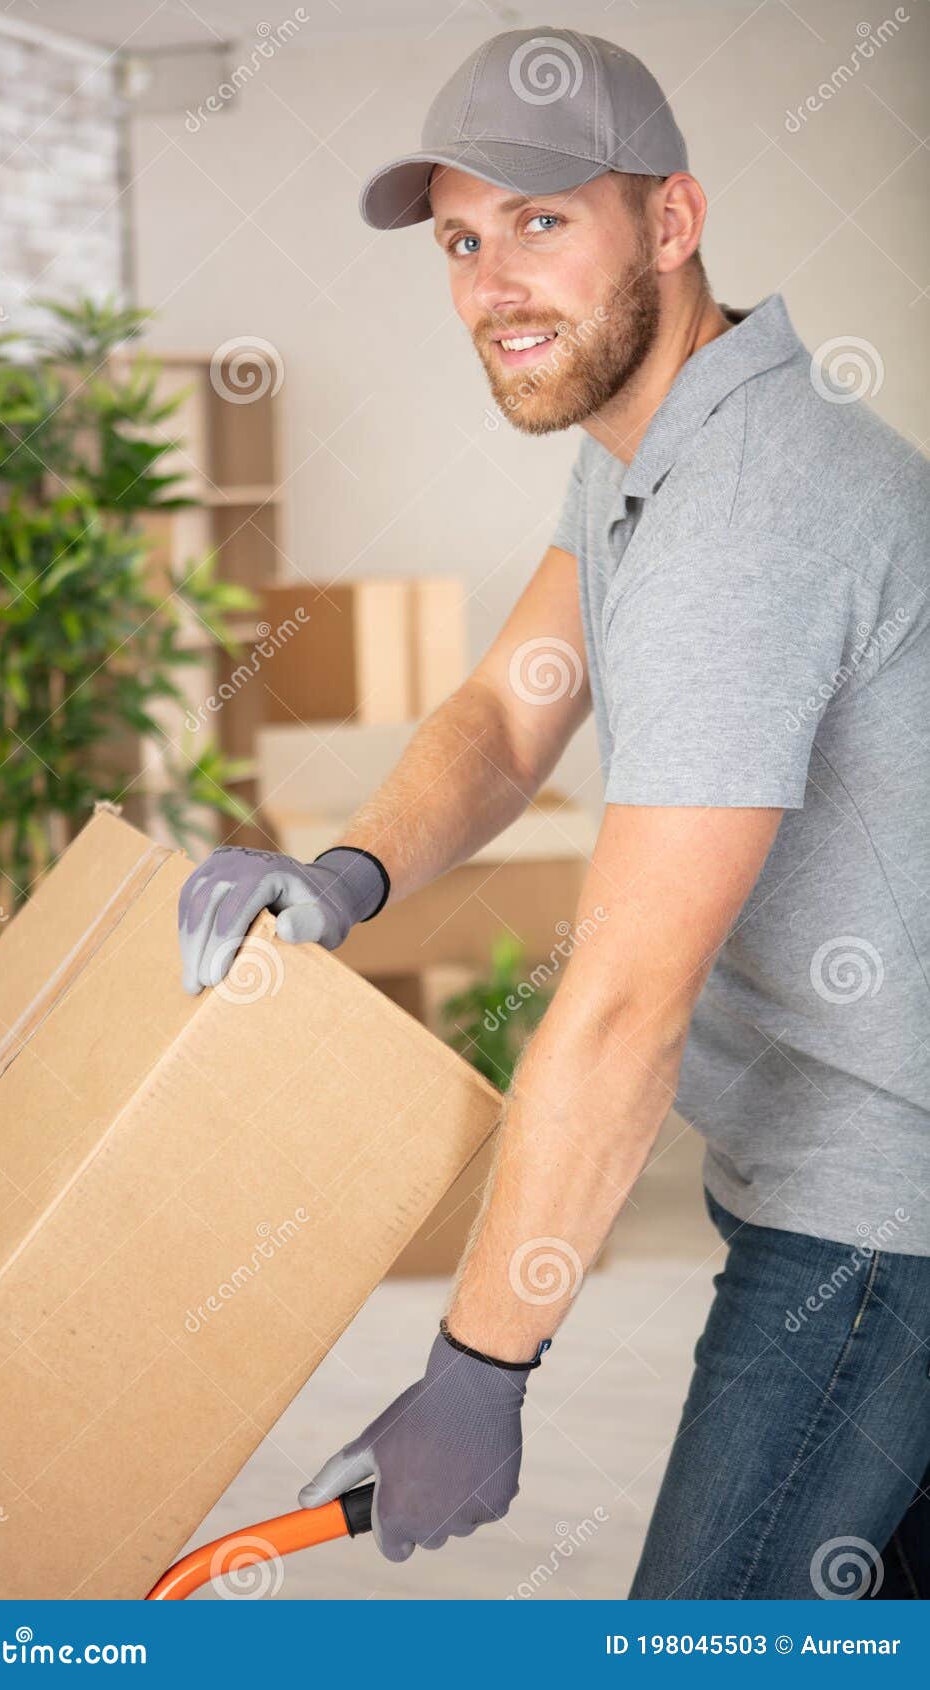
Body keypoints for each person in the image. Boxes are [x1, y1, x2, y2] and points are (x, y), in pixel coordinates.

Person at [177, 27, 930, 1599]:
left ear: (672, 224)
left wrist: (479, 1361)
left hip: (886, 1208)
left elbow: (623, 1004)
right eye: (461, 238)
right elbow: (514, 711)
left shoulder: (749, 511)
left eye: (540, 223)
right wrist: (349, 874)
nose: (492, 285)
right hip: (832, 1170)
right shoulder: (649, 447)